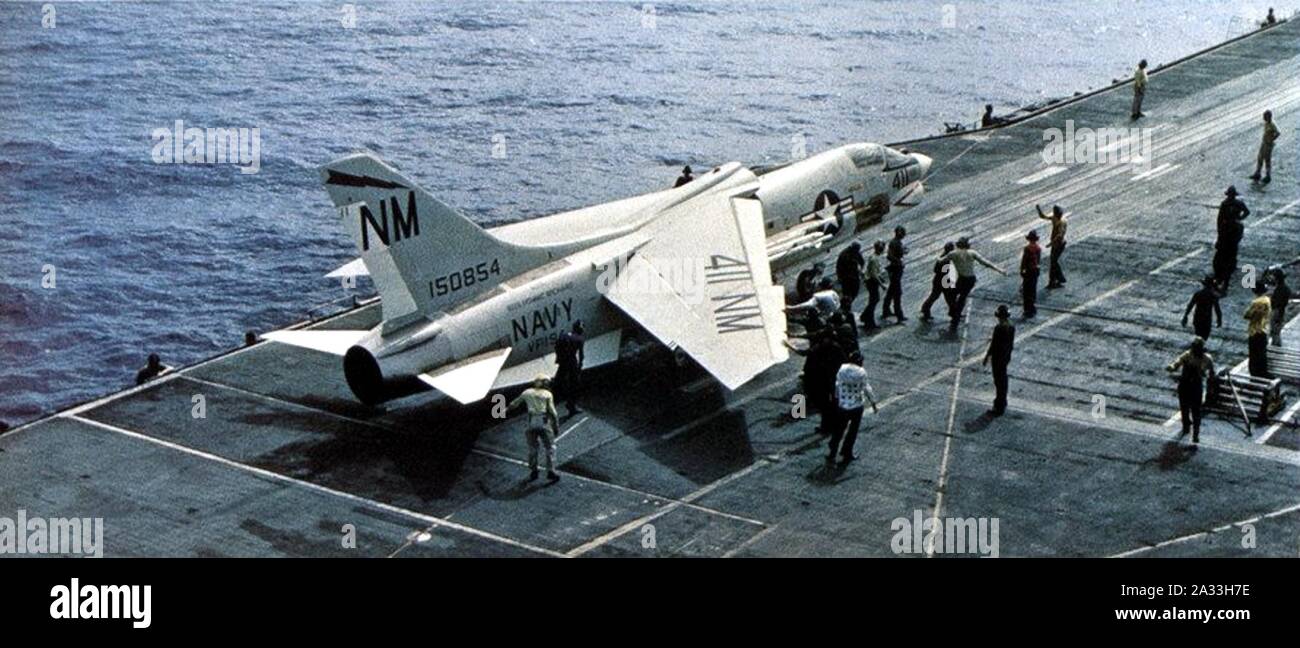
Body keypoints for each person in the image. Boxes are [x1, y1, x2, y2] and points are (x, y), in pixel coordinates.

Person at [939, 237, 1009, 331]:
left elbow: (940, 261)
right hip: (970, 280)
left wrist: (943, 254)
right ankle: (956, 316)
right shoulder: (972, 253)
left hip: (961, 279)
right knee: (962, 298)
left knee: (952, 295)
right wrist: (999, 270)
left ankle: (954, 314)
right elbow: (985, 262)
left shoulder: (953, 254)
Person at [508, 375, 561, 482]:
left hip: (531, 422)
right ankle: (551, 470)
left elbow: (513, 404)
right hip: (543, 422)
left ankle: (534, 470)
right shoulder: (547, 394)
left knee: (533, 448)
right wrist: (555, 426)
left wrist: (501, 411)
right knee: (550, 447)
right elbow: (553, 413)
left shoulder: (527, 392)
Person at [827, 352, 878, 464]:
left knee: (839, 429)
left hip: (842, 405)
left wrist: (836, 398)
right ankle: (847, 451)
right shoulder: (861, 372)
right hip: (856, 405)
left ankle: (832, 450)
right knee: (852, 431)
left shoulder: (842, 369)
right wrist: (873, 403)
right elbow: (866, 388)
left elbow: (837, 385)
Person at [1166, 337, 1216, 445]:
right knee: (1184, 407)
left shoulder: (1207, 359)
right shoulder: (1188, 355)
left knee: (1196, 410)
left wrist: (1210, 387)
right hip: (1185, 384)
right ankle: (1186, 426)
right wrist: (1172, 366)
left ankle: (1196, 433)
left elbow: (1212, 374)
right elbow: (1178, 362)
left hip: (1196, 386)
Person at [1213, 186, 1249, 291]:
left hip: (1226, 229)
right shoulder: (1239, 203)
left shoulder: (1225, 204)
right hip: (1236, 229)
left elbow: (1219, 218)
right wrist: (1240, 218)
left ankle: (1220, 269)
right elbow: (1247, 212)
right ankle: (1232, 264)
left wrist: (1219, 230)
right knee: (1233, 248)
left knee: (1221, 250)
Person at [982, 305, 1016, 416]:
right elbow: (1011, 344)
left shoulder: (999, 328)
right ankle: (1002, 402)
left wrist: (987, 356)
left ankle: (999, 405)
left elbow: (994, 344)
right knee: (1003, 380)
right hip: (1005, 357)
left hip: (997, 357)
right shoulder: (1011, 327)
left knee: (998, 381)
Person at [553, 321, 585, 417]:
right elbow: (581, 355)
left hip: (563, 361)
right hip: (571, 362)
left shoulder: (564, 335)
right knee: (575, 384)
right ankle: (571, 406)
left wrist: (559, 357)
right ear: (579, 329)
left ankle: (550, 401)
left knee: (558, 380)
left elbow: (556, 345)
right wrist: (580, 366)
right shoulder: (579, 339)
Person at [920, 242, 957, 321]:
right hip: (943, 281)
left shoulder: (943, 257)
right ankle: (954, 314)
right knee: (949, 298)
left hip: (939, 280)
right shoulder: (946, 258)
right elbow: (947, 271)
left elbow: (936, 269)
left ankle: (925, 309)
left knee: (935, 296)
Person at [1181, 276, 1223, 342]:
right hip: (1207, 319)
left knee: (1198, 334)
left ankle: (1198, 346)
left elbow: (1190, 305)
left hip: (1197, 317)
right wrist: (1219, 319)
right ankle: (1201, 346)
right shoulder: (1213, 296)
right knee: (1205, 335)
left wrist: (1185, 316)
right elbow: (1217, 308)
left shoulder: (1198, 294)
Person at [1036, 204, 1068, 288]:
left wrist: (1051, 243)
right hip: (1055, 244)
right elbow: (1043, 216)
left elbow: (1060, 235)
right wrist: (1039, 210)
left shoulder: (1062, 222)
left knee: (1053, 262)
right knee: (1053, 262)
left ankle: (1057, 279)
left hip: (1059, 244)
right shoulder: (1054, 218)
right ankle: (1055, 280)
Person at [1245, 282, 1273, 377]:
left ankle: (1254, 372)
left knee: (1253, 354)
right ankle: (1262, 371)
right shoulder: (1267, 300)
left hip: (1255, 330)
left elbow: (1247, 315)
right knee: (1262, 353)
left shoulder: (1256, 302)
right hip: (1264, 329)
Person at [882, 227, 909, 321]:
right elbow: (889, 256)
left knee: (891, 291)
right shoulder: (894, 243)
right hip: (895, 270)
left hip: (896, 269)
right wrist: (899, 262)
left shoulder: (897, 242)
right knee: (897, 293)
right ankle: (899, 315)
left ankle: (886, 311)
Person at [860, 240, 887, 331]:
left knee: (873, 300)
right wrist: (882, 284)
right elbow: (873, 275)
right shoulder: (874, 259)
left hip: (870, 280)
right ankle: (869, 322)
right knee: (874, 300)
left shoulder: (873, 257)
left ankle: (865, 316)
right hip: (872, 282)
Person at [1250, 110, 1280, 184]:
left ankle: (1268, 176)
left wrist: (1271, 139)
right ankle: (1258, 173)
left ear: (1269, 117)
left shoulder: (1272, 124)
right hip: (1264, 143)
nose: (1263, 118)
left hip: (1268, 145)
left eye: (1265, 117)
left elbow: (1278, 133)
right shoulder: (1267, 123)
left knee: (1267, 160)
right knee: (1260, 157)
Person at [1267, 267, 1293, 347]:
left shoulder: (1280, 289)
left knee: (1274, 330)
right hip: (1280, 311)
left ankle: (1276, 345)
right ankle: (1276, 344)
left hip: (1276, 311)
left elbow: (1277, 302)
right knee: (1276, 330)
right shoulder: (1285, 289)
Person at [1020, 230, 1042, 318]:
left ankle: (1027, 309)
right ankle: (1032, 306)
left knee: (1026, 290)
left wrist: (1022, 270)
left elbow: (1024, 260)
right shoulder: (1038, 248)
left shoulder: (1027, 248)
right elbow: (1038, 260)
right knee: (1033, 289)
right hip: (1035, 270)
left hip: (1028, 270)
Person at [835, 242, 865, 308]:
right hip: (845, 277)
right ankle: (845, 306)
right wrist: (839, 277)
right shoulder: (844, 254)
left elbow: (862, 262)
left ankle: (847, 303)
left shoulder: (857, 253)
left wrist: (861, 270)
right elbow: (838, 267)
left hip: (854, 275)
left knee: (855, 291)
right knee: (846, 294)